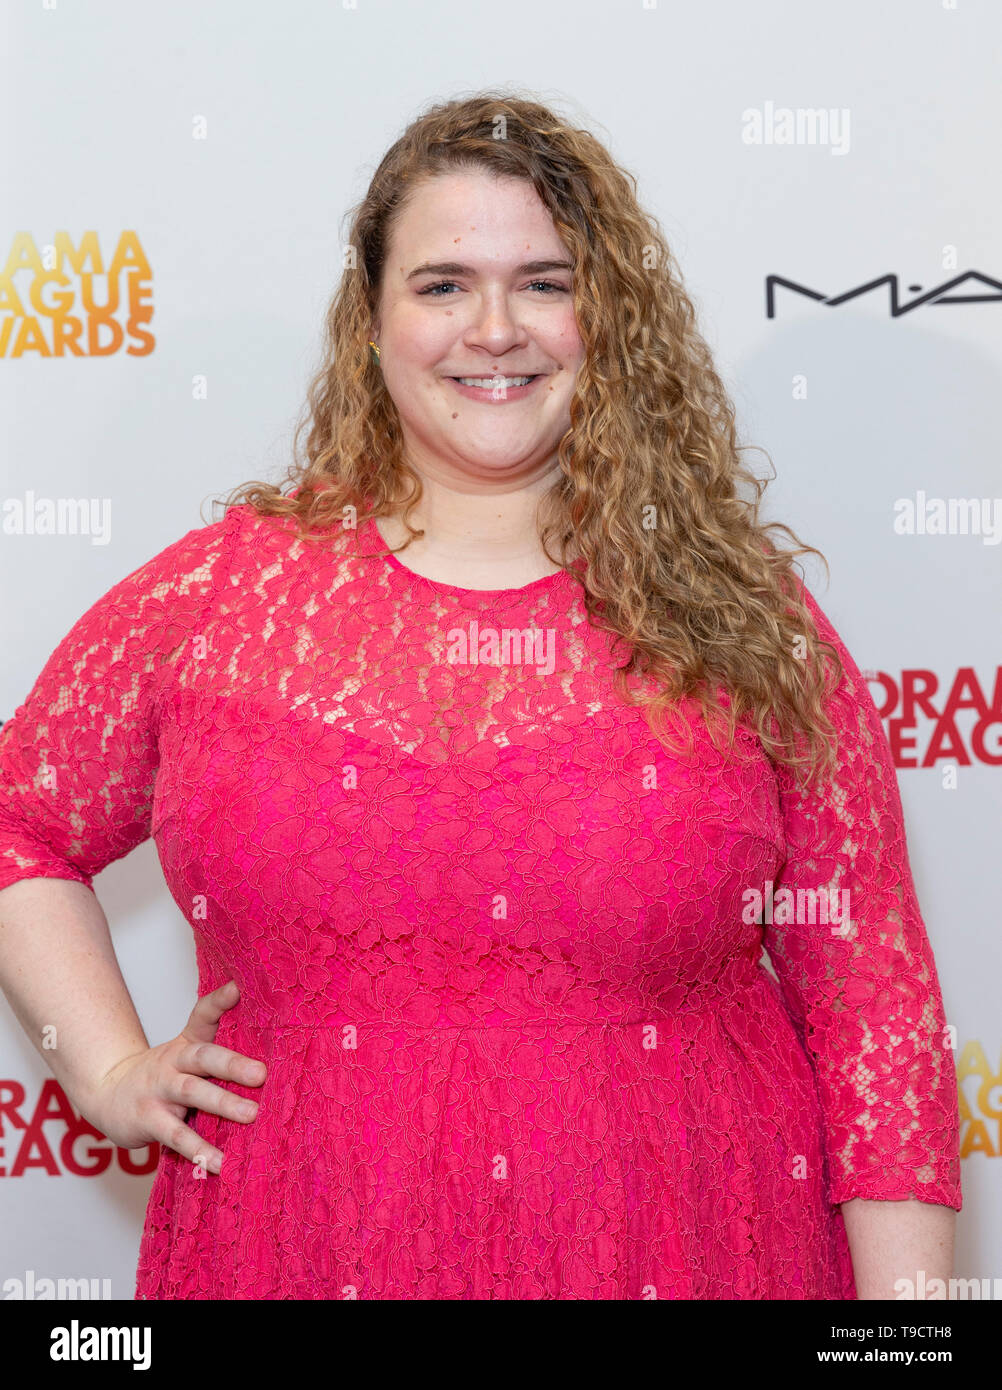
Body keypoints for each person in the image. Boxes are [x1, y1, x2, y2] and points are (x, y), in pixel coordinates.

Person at [0, 92, 961, 1300]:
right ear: (371, 319)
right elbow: (17, 823)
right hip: (306, 1241)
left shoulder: (744, 618)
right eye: (444, 284)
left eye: (545, 284)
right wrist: (101, 1068)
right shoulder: (223, 596)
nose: (495, 328)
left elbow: (869, 994)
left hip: (692, 1241)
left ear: (605, 319)